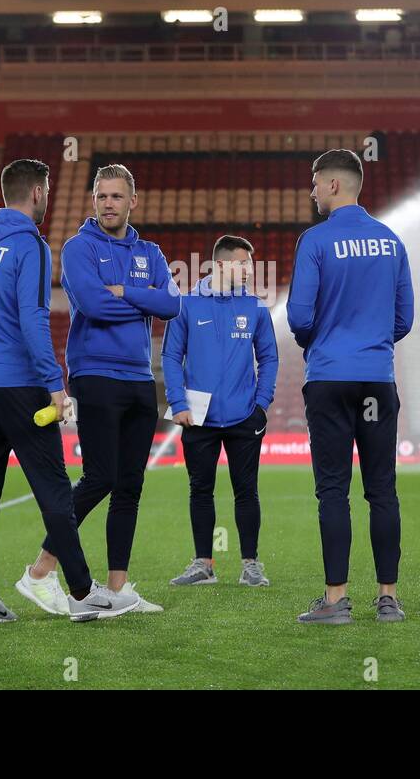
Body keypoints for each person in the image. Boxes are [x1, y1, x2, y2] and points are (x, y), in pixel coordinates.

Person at [0, 159, 135, 623]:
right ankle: (80, 592)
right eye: (48, 190)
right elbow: (33, 318)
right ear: (37, 193)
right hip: (19, 385)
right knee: (55, 490)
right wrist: (54, 386)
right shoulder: (31, 247)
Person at [24, 164, 181, 614]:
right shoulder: (78, 247)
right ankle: (39, 571)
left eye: (116, 196)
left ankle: (117, 588)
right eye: (101, 196)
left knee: (130, 484)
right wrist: (139, 295)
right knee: (100, 477)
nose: (108, 203)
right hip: (95, 374)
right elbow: (92, 303)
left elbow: (170, 303)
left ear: (133, 201)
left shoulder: (149, 251)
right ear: (94, 200)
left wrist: (123, 291)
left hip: (139, 378)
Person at [287, 149, 414, 625]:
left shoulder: (315, 241)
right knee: (382, 490)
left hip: (329, 379)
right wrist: (372, 340)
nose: (312, 191)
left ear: (334, 185)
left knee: (333, 492)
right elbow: (404, 319)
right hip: (376, 380)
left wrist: (320, 340)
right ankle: (388, 599)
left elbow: (299, 316)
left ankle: (336, 601)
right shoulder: (392, 241)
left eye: (316, 183)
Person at [162, 235, 278, 588]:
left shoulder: (256, 307)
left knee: (247, 491)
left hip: (244, 416)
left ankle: (251, 565)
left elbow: (269, 357)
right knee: (200, 490)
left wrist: (261, 404)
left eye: (250, 264)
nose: (247, 270)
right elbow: (170, 356)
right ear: (221, 264)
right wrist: (178, 403)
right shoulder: (186, 304)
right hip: (199, 418)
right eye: (241, 264)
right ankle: (203, 564)